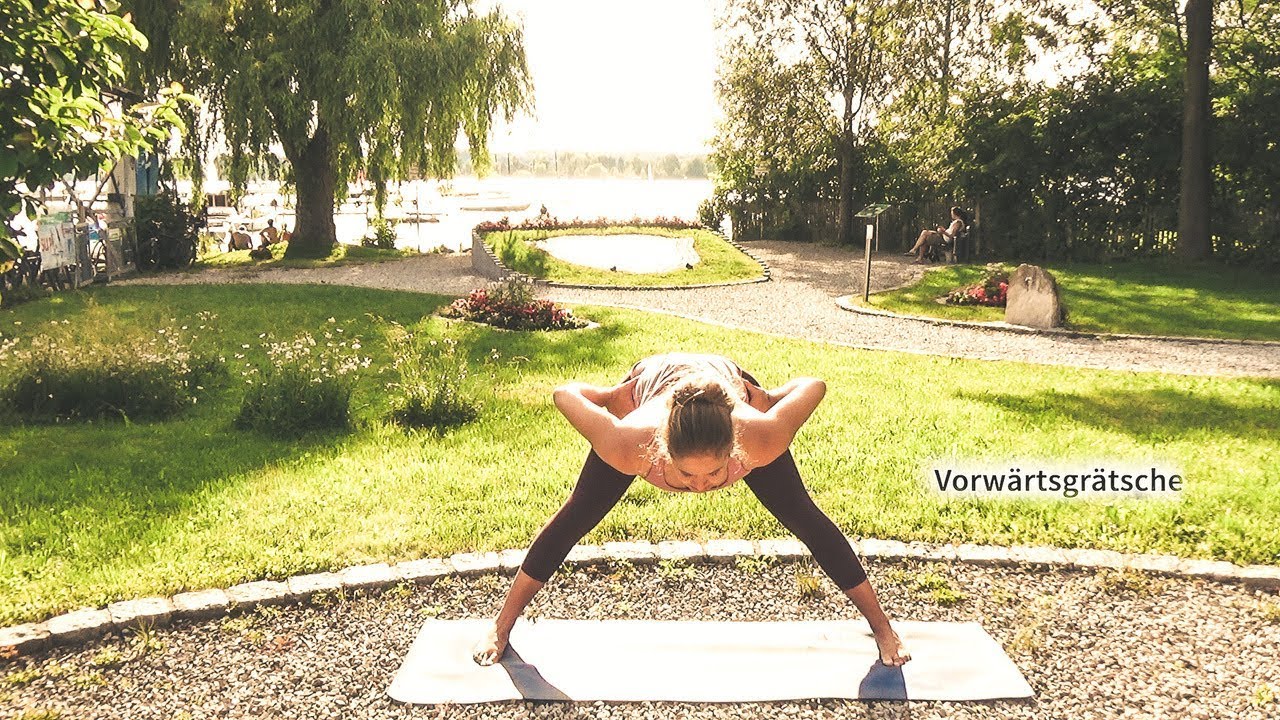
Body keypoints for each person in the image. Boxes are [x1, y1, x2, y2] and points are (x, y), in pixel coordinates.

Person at [472, 353, 911, 668]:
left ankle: (883, 629)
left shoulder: (763, 435)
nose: (701, 487)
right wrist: (607, 396)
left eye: (715, 473)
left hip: (727, 383)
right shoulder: (628, 442)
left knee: (803, 516)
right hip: (651, 379)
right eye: (686, 475)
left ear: (735, 449)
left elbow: (815, 385)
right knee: (576, 516)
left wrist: (771, 397)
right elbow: (562, 393)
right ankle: (502, 625)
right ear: (661, 452)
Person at [904, 206, 969, 264]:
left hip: (945, 239)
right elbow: (950, 232)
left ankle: (915, 251)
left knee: (924, 236)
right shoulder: (956, 222)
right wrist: (943, 230)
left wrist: (943, 232)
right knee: (924, 234)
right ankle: (917, 255)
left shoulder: (958, 222)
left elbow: (952, 235)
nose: (951, 214)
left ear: (955, 214)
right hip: (943, 236)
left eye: (952, 213)